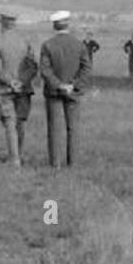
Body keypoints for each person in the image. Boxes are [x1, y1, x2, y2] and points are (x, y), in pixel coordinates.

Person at [39, 11, 92, 169]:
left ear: (54, 25)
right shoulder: (79, 44)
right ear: (68, 24)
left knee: (54, 128)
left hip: (54, 92)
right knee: (73, 127)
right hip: (73, 92)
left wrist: (59, 85)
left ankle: (55, 164)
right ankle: (73, 163)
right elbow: (86, 68)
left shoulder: (47, 45)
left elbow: (45, 70)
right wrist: (73, 85)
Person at [0, 12, 38, 166]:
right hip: (24, 88)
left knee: (10, 123)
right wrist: (22, 81)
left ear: (1, 22)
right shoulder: (25, 39)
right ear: (14, 22)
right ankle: (18, 155)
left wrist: (11, 82)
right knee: (21, 122)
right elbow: (33, 65)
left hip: (5, 89)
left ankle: (14, 158)